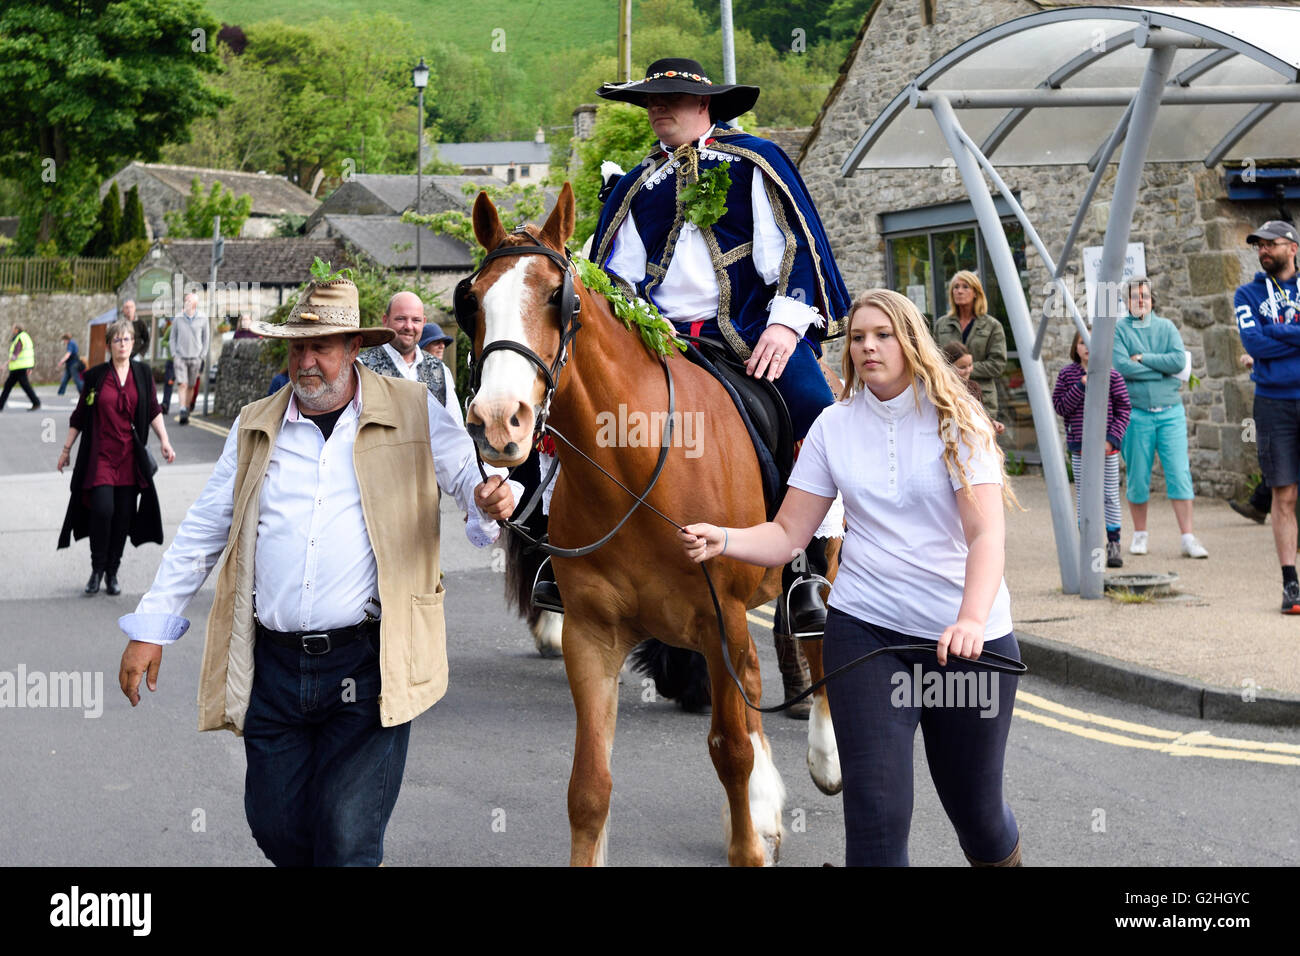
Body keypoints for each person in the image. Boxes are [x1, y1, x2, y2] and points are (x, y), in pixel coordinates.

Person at [116, 275, 519, 867]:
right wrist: (151, 624)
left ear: (353, 348)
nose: (307, 361)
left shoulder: (414, 411)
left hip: (368, 663)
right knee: (276, 826)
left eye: (321, 347)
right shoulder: (257, 423)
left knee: (348, 839)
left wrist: (489, 502)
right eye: (298, 347)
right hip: (275, 668)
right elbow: (206, 527)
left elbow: (469, 483)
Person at [679, 289, 1022, 867]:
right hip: (867, 635)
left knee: (977, 813)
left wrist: (969, 618)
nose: (867, 346)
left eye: (882, 335)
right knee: (876, 815)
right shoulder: (832, 428)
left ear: (911, 342)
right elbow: (789, 534)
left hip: (964, 640)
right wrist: (727, 538)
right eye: (858, 336)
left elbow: (986, 535)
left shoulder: (956, 420)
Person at [589, 56, 852, 713]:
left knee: (817, 410)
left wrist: (787, 328)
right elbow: (609, 276)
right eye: (651, 100)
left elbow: (795, 249)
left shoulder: (754, 162)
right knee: (584, 417)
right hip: (658, 343)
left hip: (748, 336)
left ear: (706, 105)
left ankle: (810, 572)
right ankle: (561, 554)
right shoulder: (635, 183)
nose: (658, 109)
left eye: (671, 99)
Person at [57, 319, 175, 595]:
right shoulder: (96, 376)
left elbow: (154, 410)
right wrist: (65, 450)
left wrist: (165, 442)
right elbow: (80, 415)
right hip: (100, 456)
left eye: (127, 339)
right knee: (102, 510)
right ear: (109, 344)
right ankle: (97, 568)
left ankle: (112, 571)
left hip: (130, 458)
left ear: (133, 343)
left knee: (123, 516)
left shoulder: (143, 374)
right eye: (117, 340)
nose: (123, 344)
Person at [1112, 276, 1208, 559]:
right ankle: (1140, 535)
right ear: (1126, 302)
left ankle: (1188, 537)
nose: (1140, 301)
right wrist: (1160, 368)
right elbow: (1122, 368)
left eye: (1145, 296)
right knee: (1138, 477)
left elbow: (1179, 362)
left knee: (1179, 474)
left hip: (1170, 413)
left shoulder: (1166, 327)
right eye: (1134, 297)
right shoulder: (1120, 331)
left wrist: (1142, 359)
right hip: (1136, 415)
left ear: (1152, 300)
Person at [1233, 219, 1300, 611]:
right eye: (1258, 245)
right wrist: (1290, 334)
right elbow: (1251, 340)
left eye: (1269, 244)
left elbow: (1263, 339)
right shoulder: (1247, 292)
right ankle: (1290, 583)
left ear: (1292, 248)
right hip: (1273, 401)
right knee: (1284, 493)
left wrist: (1274, 332)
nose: (1262, 250)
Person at [1052, 331, 1132, 568]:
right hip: (1081, 449)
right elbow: (1060, 406)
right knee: (1085, 497)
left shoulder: (1113, 375)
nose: (1087, 347)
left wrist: (1111, 439)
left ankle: (1113, 543)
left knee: (1109, 496)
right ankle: (1088, 543)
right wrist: (1080, 386)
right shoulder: (1067, 375)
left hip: (1107, 449)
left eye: (1092, 343)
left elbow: (1124, 410)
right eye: (1081, 343)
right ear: (1075, 347)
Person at [360, 291, 461, 427]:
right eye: (401, 319)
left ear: (423, 323)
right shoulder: (362, 367)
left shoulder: (441, 370)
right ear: (385, 320)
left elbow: (455, 429)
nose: (408, 326)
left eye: (416, 320)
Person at [932, 271, 1007, 423]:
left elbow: (997, 365)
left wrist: (963, 369)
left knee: (981, 444)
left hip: (982, 398)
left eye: (965, 287)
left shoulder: (992, 326)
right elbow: (934, 359)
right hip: (948, 396)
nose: (959, 291)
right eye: (955, 287)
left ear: (976, 293)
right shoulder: (941, 324)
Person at [942, 341, 1004, 434]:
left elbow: (980, 412)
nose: (968, 370)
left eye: (970, 365)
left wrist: (992, 422)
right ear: (947, 367)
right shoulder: (941, 389)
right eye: (962, 367)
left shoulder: (974, 387)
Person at [169, 292, 209, 425]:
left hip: (195, 358)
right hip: (180, 357)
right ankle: (181, 409)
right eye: (186, 300)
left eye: (189, 301)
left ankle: (186, 407)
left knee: (191, 385)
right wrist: (174, 354)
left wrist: (201, 356)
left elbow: (206, 339)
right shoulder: (178, 318)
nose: (187, 302)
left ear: (195, 304)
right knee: (182, 384)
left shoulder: (203, 318)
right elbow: (172, 337)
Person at [1, 323, 41, 411]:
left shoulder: (20, 338)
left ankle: (36, 402)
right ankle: (36, 402)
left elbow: (16, 354)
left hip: (19, 367)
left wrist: (4, 364)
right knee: (14, 387)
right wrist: (30, 367)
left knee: (10, 387)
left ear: (17, 329)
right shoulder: (25, 337)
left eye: (13, 329)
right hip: (21, 367)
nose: (12, 330)